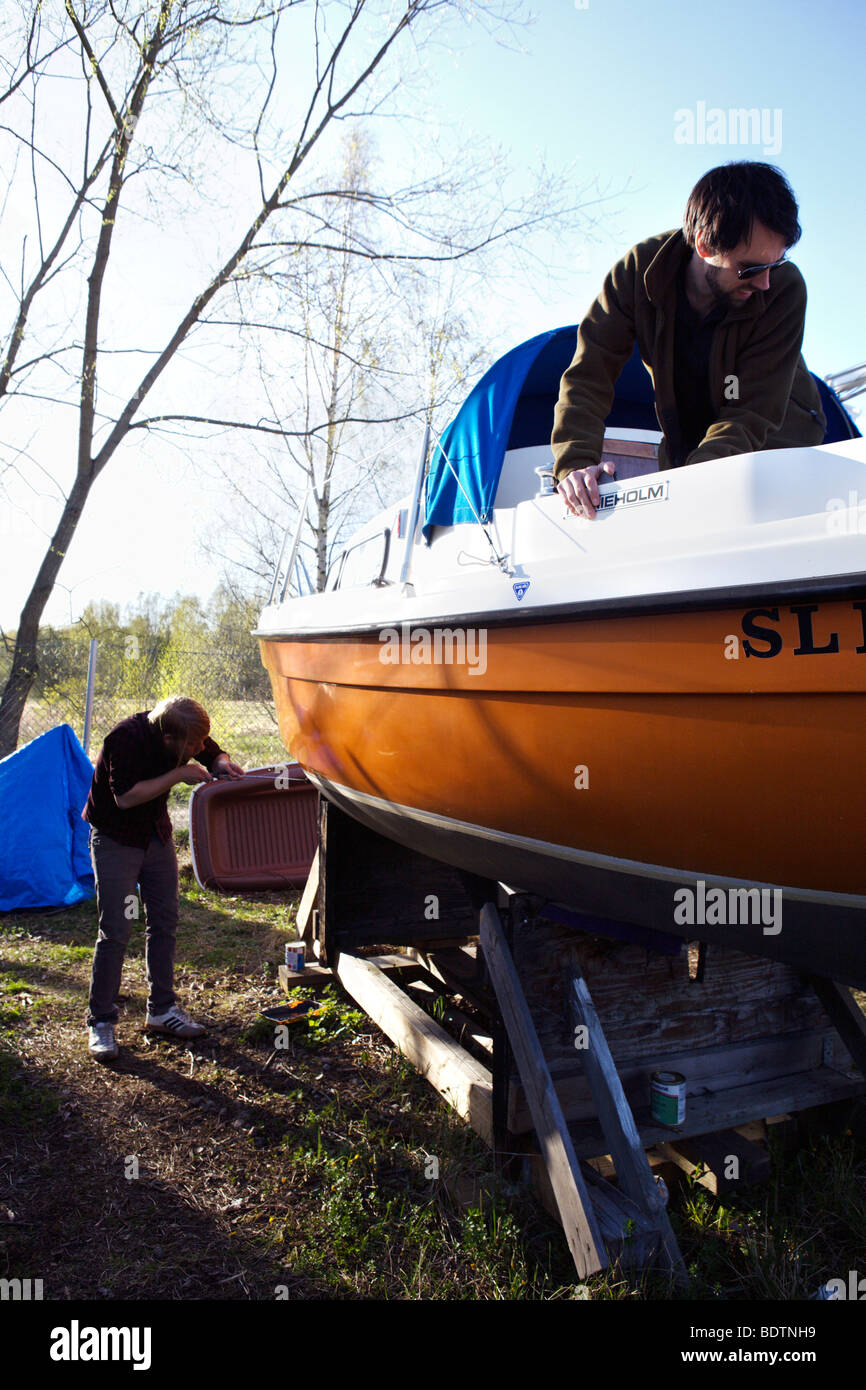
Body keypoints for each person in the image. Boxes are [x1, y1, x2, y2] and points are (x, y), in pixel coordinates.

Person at [552, 161, 827, 519]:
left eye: (775, 264)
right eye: (750, 269)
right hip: (689, 450)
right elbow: (590, 374)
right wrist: (575, 462)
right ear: (703, 244)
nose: (765, 284)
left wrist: (693, 481)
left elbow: (751, 411)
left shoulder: (784, 289)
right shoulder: (637, 274)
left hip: (780, 447)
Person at [82, 696, 244, 1061]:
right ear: (169, 738)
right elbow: (125, 797)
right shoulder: (124, 739)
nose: (199, 749)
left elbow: (208, 747)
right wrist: (178, 775)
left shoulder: (184, 732)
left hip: (155, 836)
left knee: (165, 921)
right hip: (116, 840)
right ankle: (101, 1020)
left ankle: (162, 1010)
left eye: (202, 742)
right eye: (193, 745)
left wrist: (220, 761)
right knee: (118, 929)